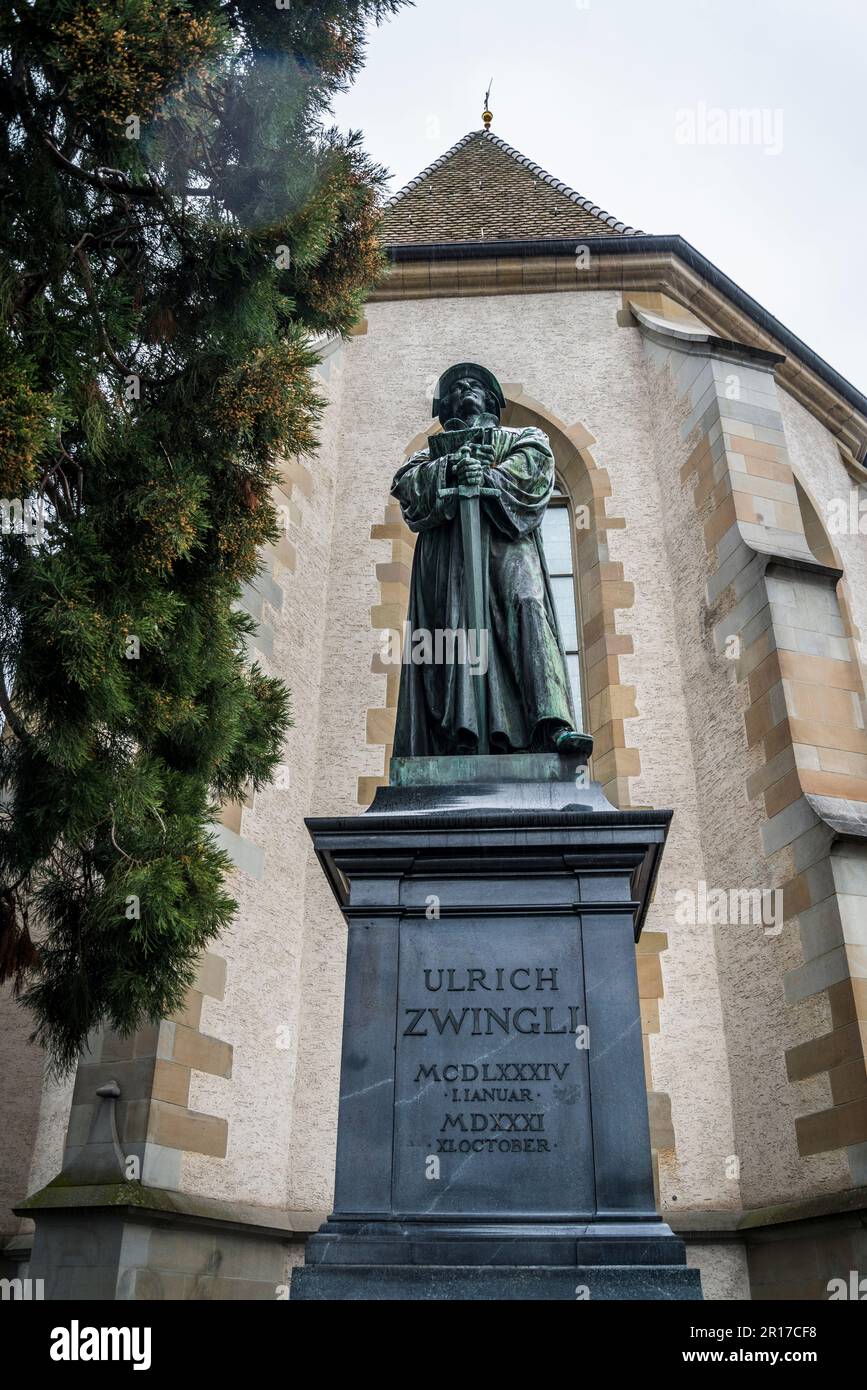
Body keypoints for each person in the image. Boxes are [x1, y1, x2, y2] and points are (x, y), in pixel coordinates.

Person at [390, 361, 592, 759]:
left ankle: (552, 726)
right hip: (449, 559)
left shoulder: (523, 436)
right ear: (446, 406)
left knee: (528, 605)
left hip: (507, 541)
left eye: (474, 385)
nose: (465, 391)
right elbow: (405, 486)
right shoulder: (427, 456)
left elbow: (534, 471)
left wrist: (484, 474)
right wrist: (449, 468)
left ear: (491, 399)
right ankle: (454, 739)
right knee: (451, 631)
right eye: (456, 388)